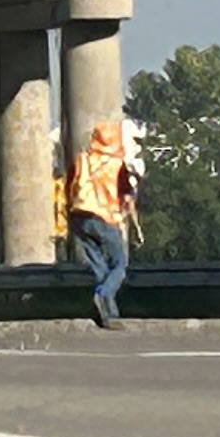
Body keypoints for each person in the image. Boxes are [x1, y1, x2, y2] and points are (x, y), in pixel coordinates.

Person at [66, 114, 136, 332]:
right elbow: (126, 196)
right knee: (119, 264)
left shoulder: (81, 159)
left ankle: (107, 314)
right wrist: (133, 220)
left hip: (78, 217)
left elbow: (68, 185)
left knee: (99, 266)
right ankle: (103, 295)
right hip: (105, 218)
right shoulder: (117, 165)